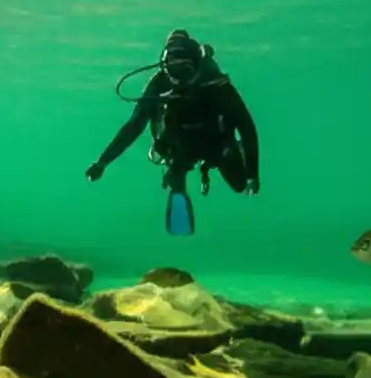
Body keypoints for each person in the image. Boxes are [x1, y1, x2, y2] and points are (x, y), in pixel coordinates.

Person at [84, 29, 259, 234]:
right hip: (178, 143)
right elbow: (135, 125)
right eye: (172, 71)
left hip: (217, 142)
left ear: (195, 64)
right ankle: (178, 192)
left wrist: (252, 174)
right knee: (175, 173)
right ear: (164, 67)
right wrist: (103, 161)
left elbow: (245, 125)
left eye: (183, 70)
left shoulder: (215, 83)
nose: (177, 78)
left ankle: (230, 152)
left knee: (239, 185)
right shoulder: (159, 84)